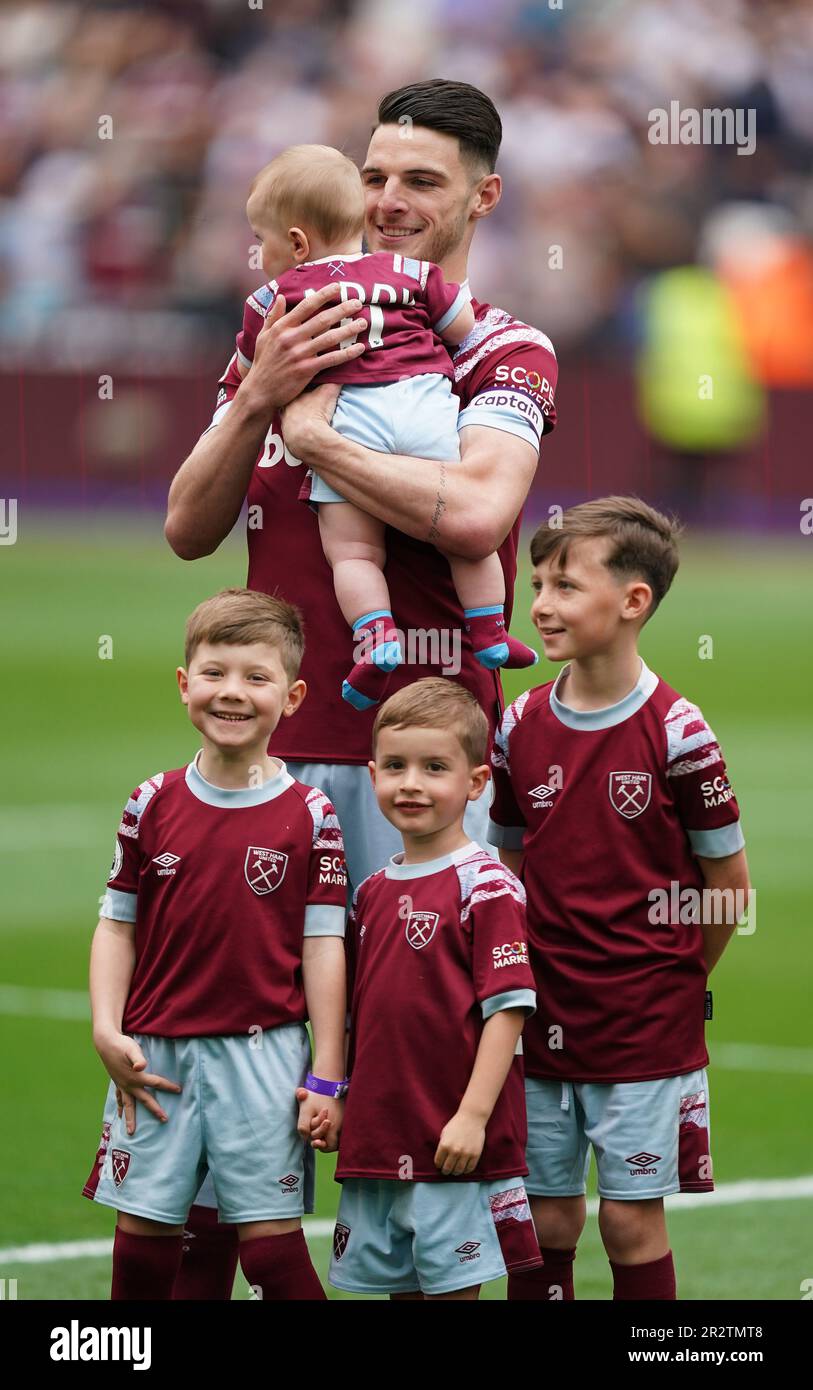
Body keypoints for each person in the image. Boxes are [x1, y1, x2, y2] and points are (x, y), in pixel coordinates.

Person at [164, 76, 558, 1297]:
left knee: (423, 1063)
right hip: (267, 764)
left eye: (422, 182)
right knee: (237, 1054)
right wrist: (260, 398)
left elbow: (483, 508)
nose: (387, 201)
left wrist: (321, 433)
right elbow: (187, 524)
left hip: (417, 774)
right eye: (375, 175)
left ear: (484, 198)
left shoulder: (498, 343)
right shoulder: (283, 320)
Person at [486, 497, 750, 1301]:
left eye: (565, 585)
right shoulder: (518, 722)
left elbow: (728, 891)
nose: (540, 604)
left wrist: (671, 977)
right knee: (544, 1218)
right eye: (536, 584)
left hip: (642, 1025)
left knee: (629, 1222)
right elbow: (506, 866)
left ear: (632, 601)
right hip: (538, 1015)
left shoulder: (677, 731)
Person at [82, 589, 349, 1300]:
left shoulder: (309, 812)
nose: (232, 693)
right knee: (142, 1244)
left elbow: (324, 945)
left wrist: (326, 1074)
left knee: (269, 1251)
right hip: (155, 1058)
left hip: (262, 1060)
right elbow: (117, 924)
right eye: (214, 673)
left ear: (291, 697)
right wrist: (107, 1029)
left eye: (256, 678)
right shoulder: (152, 801)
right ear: (184, 684)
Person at [237, 144, 537, 710]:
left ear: (297, 243)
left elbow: (255, 366)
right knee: (468, 547)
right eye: (376, 180)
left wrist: (292, 416)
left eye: (261, 242)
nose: (258, 255)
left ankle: (375, 637)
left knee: (353, 554)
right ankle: (491, 633)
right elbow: (460, 323)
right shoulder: (411, 272)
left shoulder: (273, 299)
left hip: (348, 423)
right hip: (424, 407)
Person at [324, 678, 541, 1300]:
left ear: (475, 784)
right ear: (372, 776)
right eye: (395, 766)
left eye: (434, 767)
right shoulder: (369, 892)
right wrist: (336, 1093)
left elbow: (509, 1010)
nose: (411, 783)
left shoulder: (488, 886)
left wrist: (472, 1117)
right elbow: (354, 1015)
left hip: (454, 1141)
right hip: (381, 1134)